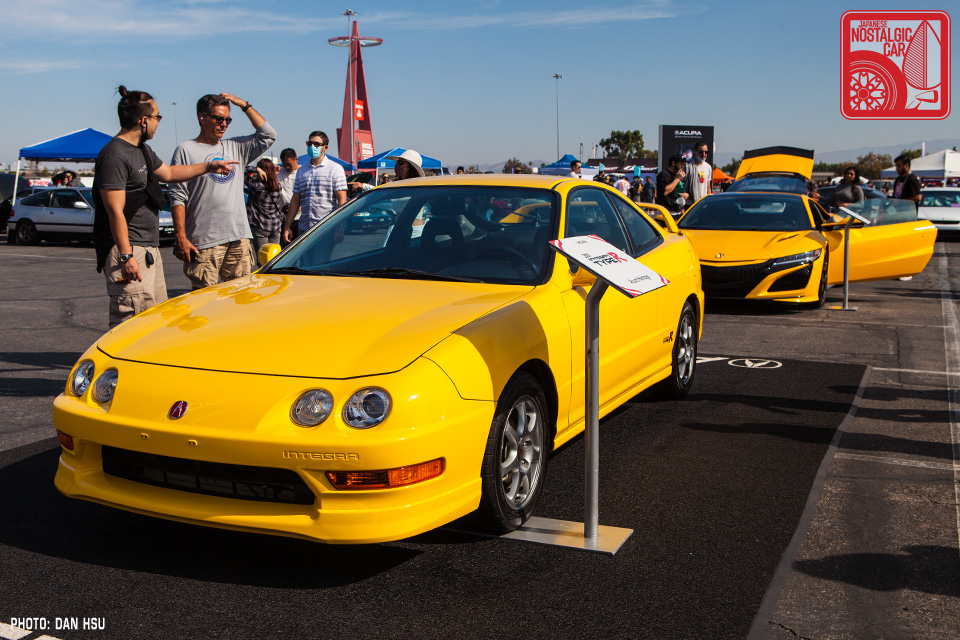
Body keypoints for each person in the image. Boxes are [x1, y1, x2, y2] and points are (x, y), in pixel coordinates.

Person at [94, 86, 237, 327]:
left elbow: (169, 173)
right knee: (131, 322)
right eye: (157, 117)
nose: (158, 123)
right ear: (143, 120)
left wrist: (208, 166)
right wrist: (126, 256)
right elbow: (114, 210)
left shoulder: (142, 150)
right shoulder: (114, 155)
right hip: (129, 250)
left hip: (148, 248)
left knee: (153, 322)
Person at [169, 93, 276, 290]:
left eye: (228, 119)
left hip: (239, 237)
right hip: (204, 241)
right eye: (219, 118)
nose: (224, 124)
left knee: (240, 299)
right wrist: (180, 237)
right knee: (204, 301)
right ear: (201, 117)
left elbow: (268, 135)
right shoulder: (186, 150)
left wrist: (243, 105)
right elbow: (178, 197)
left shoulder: (235, 147)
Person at [281, 131, 348, 243]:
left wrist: (340, 226)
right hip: (304, 230)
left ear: (325, 147)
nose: (312, 147)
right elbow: (295, 200)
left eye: (316, 144)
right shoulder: (301, 170)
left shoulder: (335, 169)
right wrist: (287, 226)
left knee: (322, 255)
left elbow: (342, 200)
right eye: (309, 143)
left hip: (325, 229)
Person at [245, 157, 285, 254]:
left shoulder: (257, 186)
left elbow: (242, 171)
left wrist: (256, 169)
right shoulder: (278, 186)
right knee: (274, 257)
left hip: (260, 225)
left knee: (262, 257)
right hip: (275, 226)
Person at [684, 141, 713, 206]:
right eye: (701, 152)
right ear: (696, 152)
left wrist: (709, 202)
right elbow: (682, 185)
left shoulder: (708, 167)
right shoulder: (688, 166)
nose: (704, 154)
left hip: (703, 203)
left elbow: (708, 188)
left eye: (706, 152)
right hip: (690, 204)